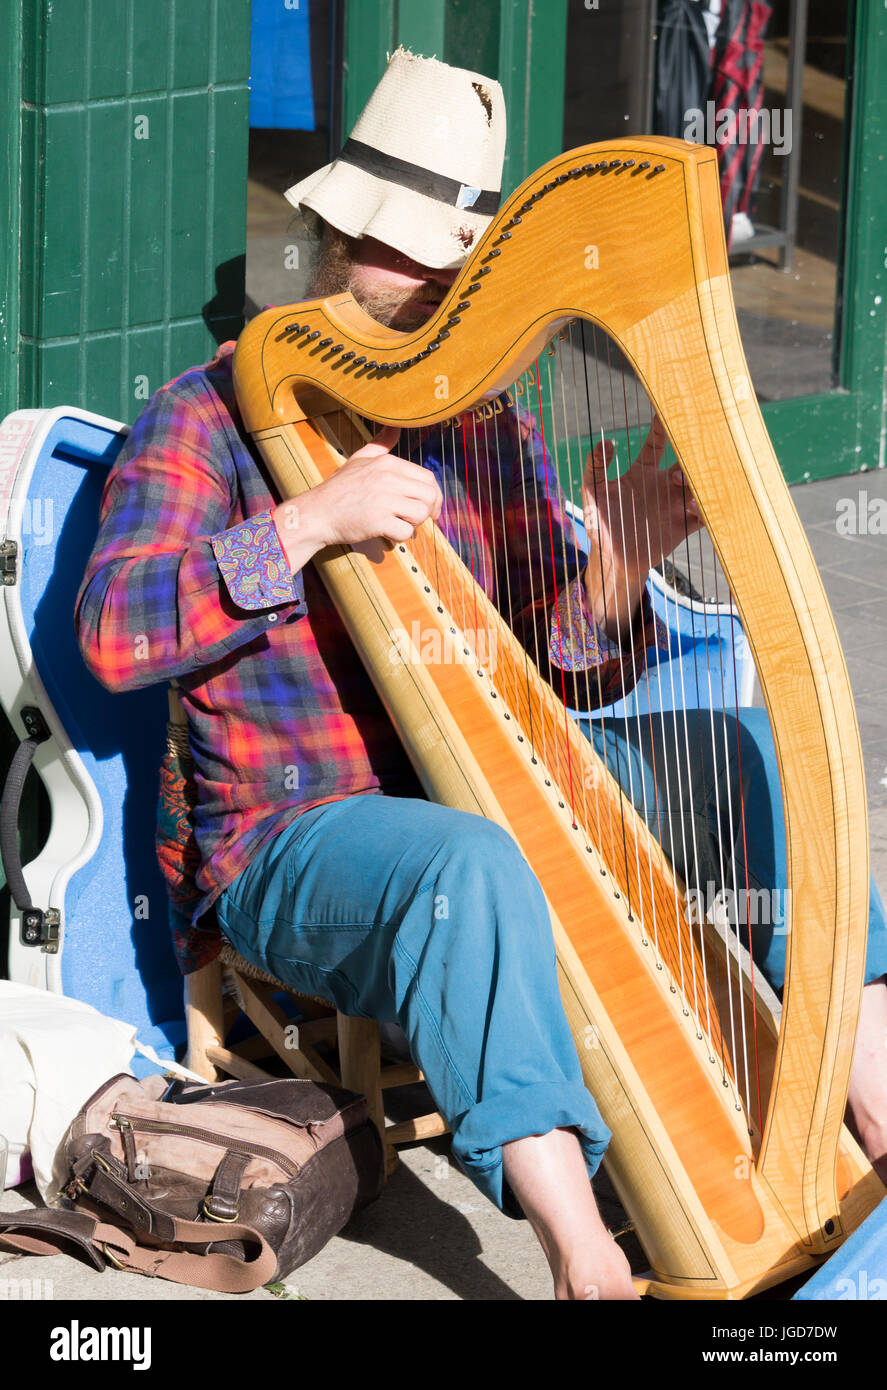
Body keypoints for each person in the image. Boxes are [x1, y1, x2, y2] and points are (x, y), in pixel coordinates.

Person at [74, 49, 887, 1300]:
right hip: (290, 837)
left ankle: (869, 1097)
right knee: (470, 862)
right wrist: (302, 527)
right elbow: (114, 632)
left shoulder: (479, 417)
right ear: (337, 232)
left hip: (487, 796)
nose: (428, 281)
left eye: (450, 258)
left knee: (747, 752)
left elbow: (549, 665)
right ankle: (583, 1254)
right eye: (402, 249)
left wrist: (611, 571)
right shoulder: (202, 418)